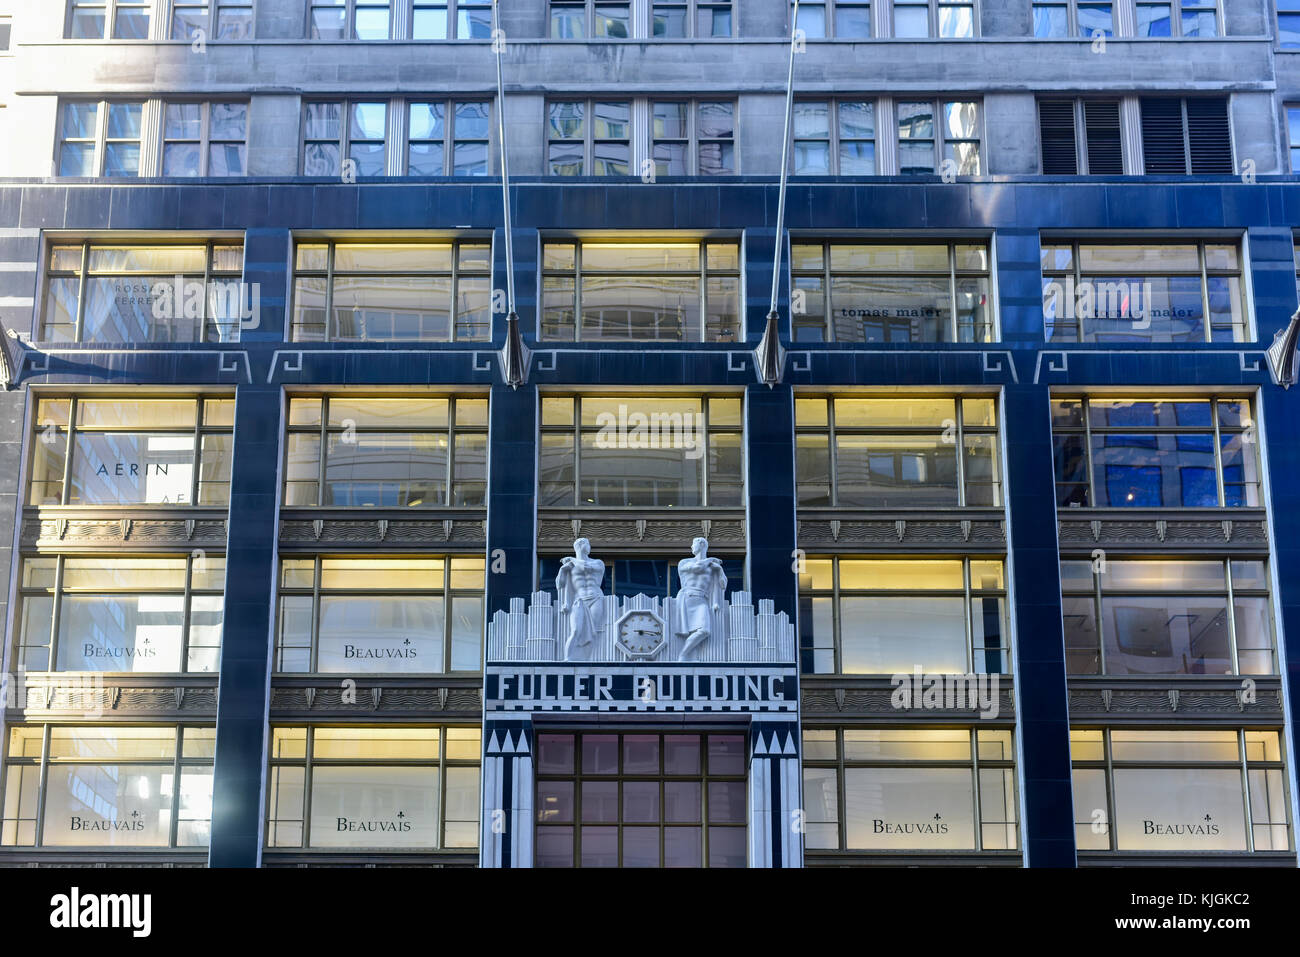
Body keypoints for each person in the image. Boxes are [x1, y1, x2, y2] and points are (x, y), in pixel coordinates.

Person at [675, 537, 726, 661]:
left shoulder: (712, 567)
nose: (691, 547)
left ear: (701, 545)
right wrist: (711, 560)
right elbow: (697, 567)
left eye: (693, 544)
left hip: (702, 599)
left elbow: (721, 584)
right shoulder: (684, 562)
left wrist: (719, 570)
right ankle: (684, 656)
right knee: (695, 630)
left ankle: (684, 654)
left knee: (704, 631)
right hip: (688, 597)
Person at [556, 538, 606, 660]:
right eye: (587, 544)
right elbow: (560, 584)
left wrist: (572, 559)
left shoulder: (598, 562)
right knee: (575, 630)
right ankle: (568, 658)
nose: (589, 546)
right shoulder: (570, 567)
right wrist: (562, 570)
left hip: (596, 598)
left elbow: (587, 568)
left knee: (593, 631)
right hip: (579, 601)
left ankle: (587, 659)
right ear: (579, 546)